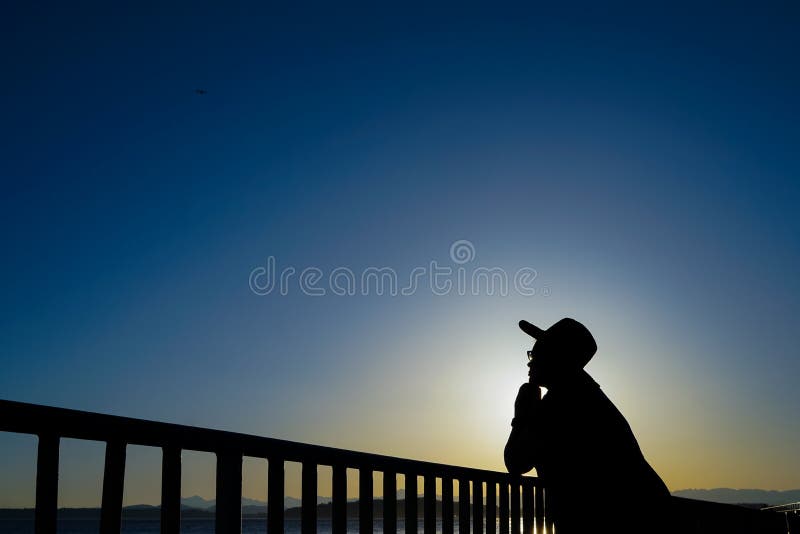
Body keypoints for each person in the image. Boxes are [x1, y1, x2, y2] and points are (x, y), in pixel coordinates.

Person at [504, 318, 671, 533]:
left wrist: (522, 412)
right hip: (647, 513)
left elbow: (516, 462)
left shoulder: (560, 404)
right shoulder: (589, 396)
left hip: (618, 520)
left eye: (536, 355)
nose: (530, 362)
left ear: (555, 359)